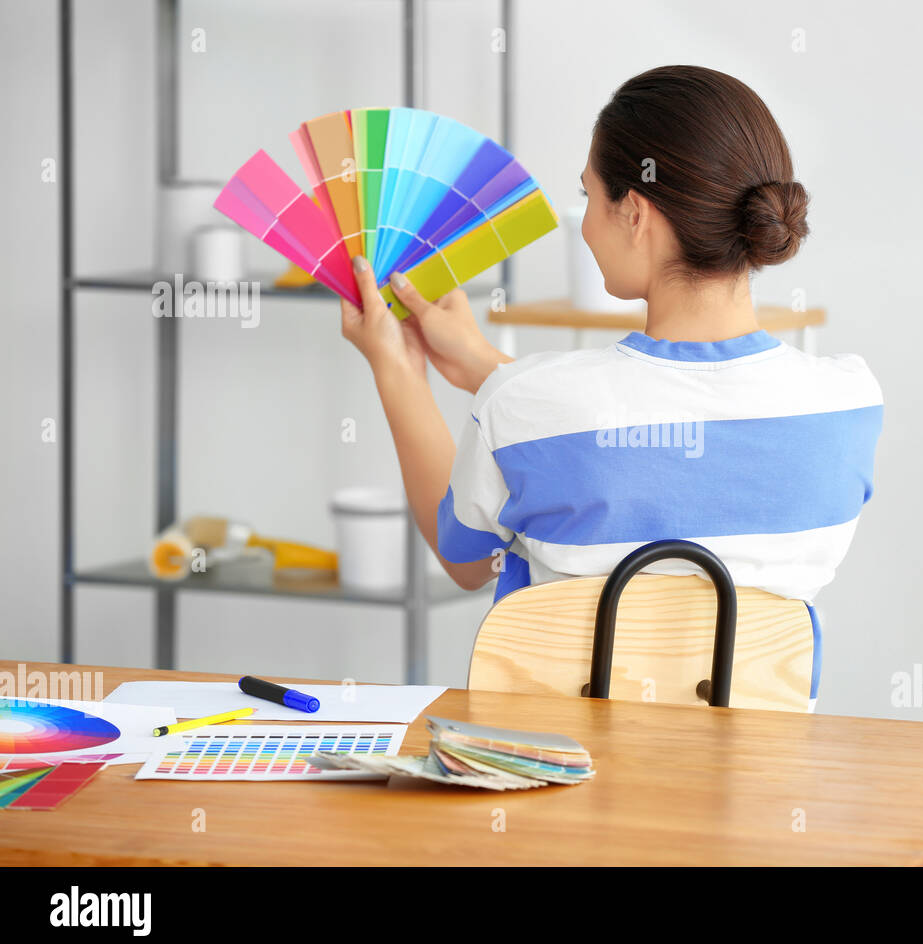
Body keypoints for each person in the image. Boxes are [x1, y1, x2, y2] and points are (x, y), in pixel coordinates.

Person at [341, 65, 883, 707]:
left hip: (558, 785)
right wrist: (490, 369)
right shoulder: (848, 402)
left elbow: (465, 561)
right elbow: (659, 434)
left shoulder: (525, 407)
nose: (588, 227)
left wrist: (396, 368)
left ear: (634, 213)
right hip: (754, 792)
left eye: (590, 199)